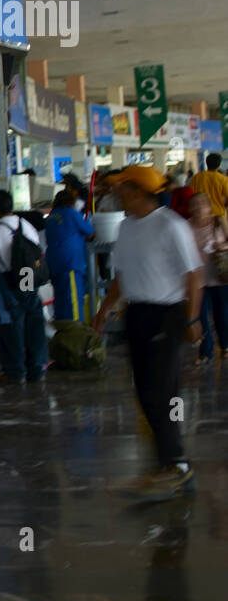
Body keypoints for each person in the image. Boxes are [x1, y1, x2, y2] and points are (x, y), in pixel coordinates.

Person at [92, 166, 202, 498]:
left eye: (124, 189)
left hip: (166, 315)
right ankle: (167, 464)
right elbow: (122, 275)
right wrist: (103, 309)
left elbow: (194, 275)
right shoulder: (126, 227)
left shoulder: (172, 226)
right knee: (145, 392)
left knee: (160, 392)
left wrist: (191, 320)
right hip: (137, 313)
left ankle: (178, 465)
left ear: (140, 192)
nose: (117, 194)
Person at [0, 189, 48, 385]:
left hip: (11, 281)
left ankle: (15, 371)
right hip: (29, 278)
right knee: (34, 323)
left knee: (11, 326)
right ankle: (37, 367)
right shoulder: (26, 225)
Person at [187, 192, 228, 364]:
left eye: (202, 203)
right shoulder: (186, 226)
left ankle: (225, 346)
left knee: (223, 314)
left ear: (209, 206)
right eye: (194, 204)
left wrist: (222, 246)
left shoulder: (219, 221)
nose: (198, 207)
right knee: (201, 315)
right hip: (198, 280)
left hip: (219, 277)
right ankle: (205, 352)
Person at [44, 188, 95, 323]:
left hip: (54, 263)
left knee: (60, 299)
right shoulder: (71, 213)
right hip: (70, 262)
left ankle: (63, 329)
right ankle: (76, 332)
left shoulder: (51, 216)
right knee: (73, 300)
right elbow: (90, 231)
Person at [189, 153, 228, 233]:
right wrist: (224, 205)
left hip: (200, 214)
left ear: (206, 163)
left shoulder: (197, 177)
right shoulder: (223, 179)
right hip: (218, 215)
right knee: (219, 238)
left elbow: (191, 195)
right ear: (219, 164)